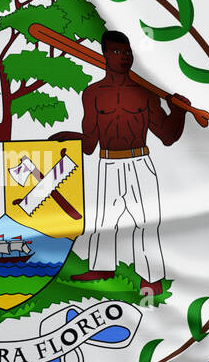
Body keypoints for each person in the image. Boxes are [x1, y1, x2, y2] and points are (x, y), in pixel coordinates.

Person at [53, 30, 189, 298]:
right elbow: (90, 143)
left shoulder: (147, 93)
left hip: (139, 161)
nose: (123, 57)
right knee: (103, 218)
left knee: (145, 220)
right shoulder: (92, 94)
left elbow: (168, 136)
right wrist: (66, 138)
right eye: (116, 52)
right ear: (105, 54)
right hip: (107, 163)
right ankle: (101, 268)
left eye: (127, 52)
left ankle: (150, 278)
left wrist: (178, 112)